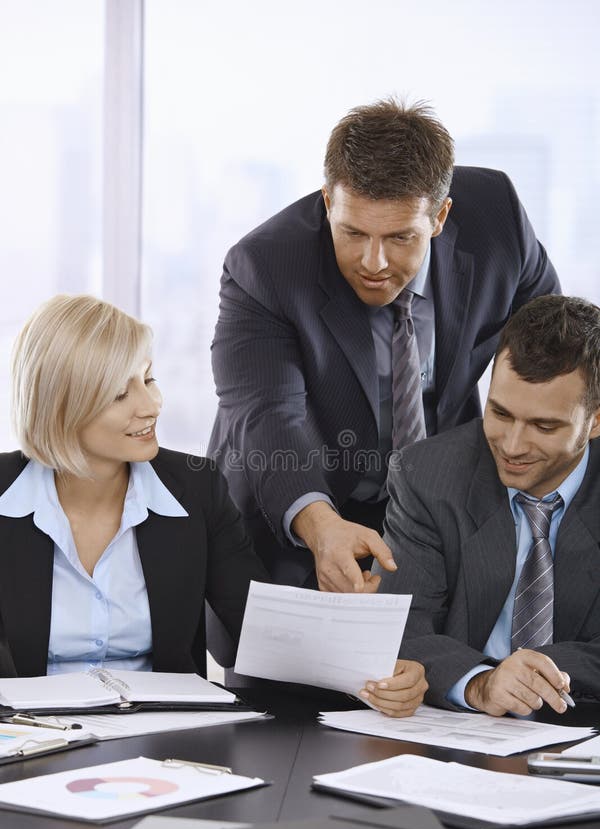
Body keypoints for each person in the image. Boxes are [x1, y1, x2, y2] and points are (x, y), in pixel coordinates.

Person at [208, 98, 560, 603]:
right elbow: (266, 414)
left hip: (439, 510)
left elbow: (553, 355)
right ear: (329, 202)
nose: (374, 262)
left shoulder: (496, 217)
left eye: (400, 237)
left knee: (429, 674)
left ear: (440, 216)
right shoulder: (265, 266)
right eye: (353, 233)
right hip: (294, 509)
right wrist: (320, 524)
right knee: (288, 679)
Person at [0, 294, 268, 678]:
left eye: (148, 379)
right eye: (120, 393)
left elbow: (260, 628)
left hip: (158, 730)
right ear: (60, 407)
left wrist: (368, 667)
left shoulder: (196, 487)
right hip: (32, 733)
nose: (152, 406)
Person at [372, 294, 600, 717]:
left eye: (543, 426)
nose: (512, 446)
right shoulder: (427, 475)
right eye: (500, 413)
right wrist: (480, 682)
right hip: (458, 732)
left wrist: (527, 677)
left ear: (596, 420)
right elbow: (399, 625)